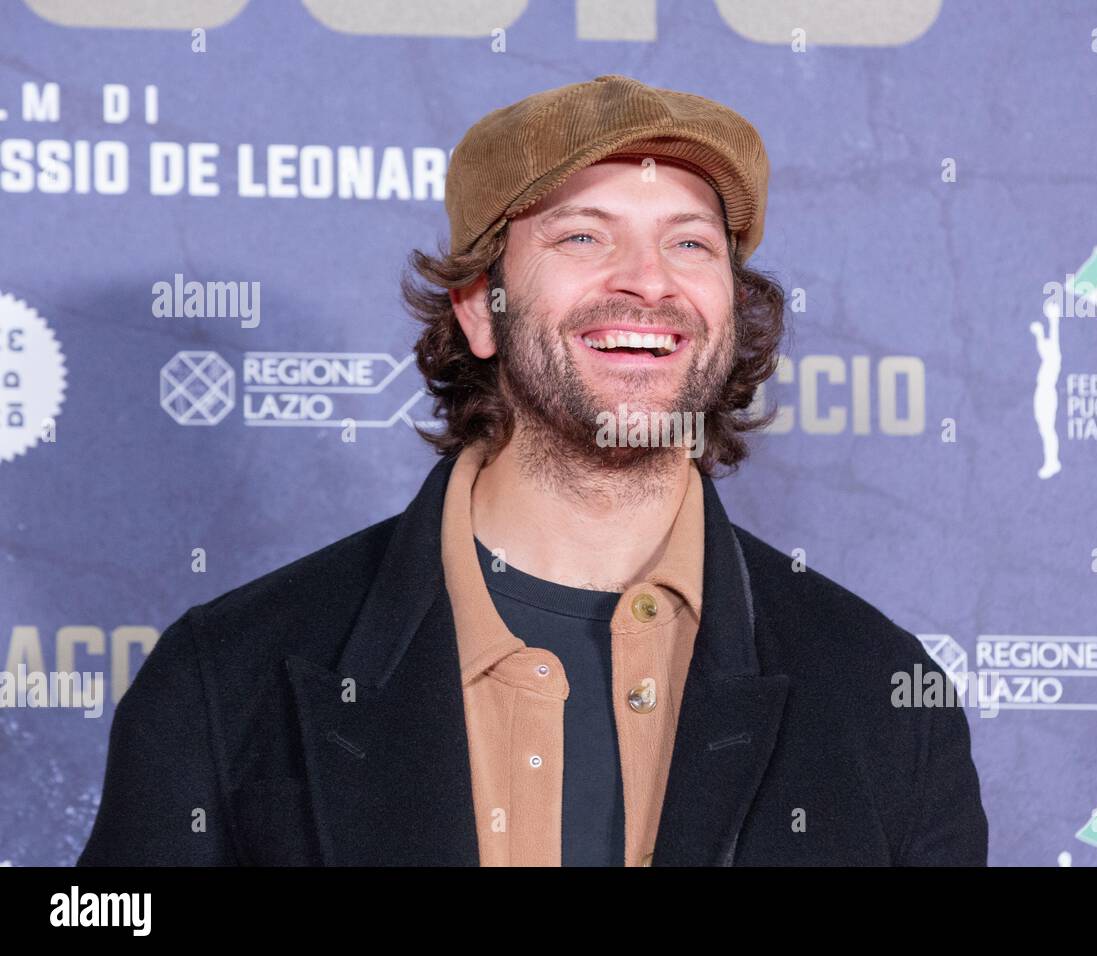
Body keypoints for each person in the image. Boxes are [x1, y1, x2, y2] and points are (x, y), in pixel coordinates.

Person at [78, 74, 988, 867]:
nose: (648, 281)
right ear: (479, 309)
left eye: (690, 242)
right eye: (583, 237)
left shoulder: (883, 698)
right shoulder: (227, 680)